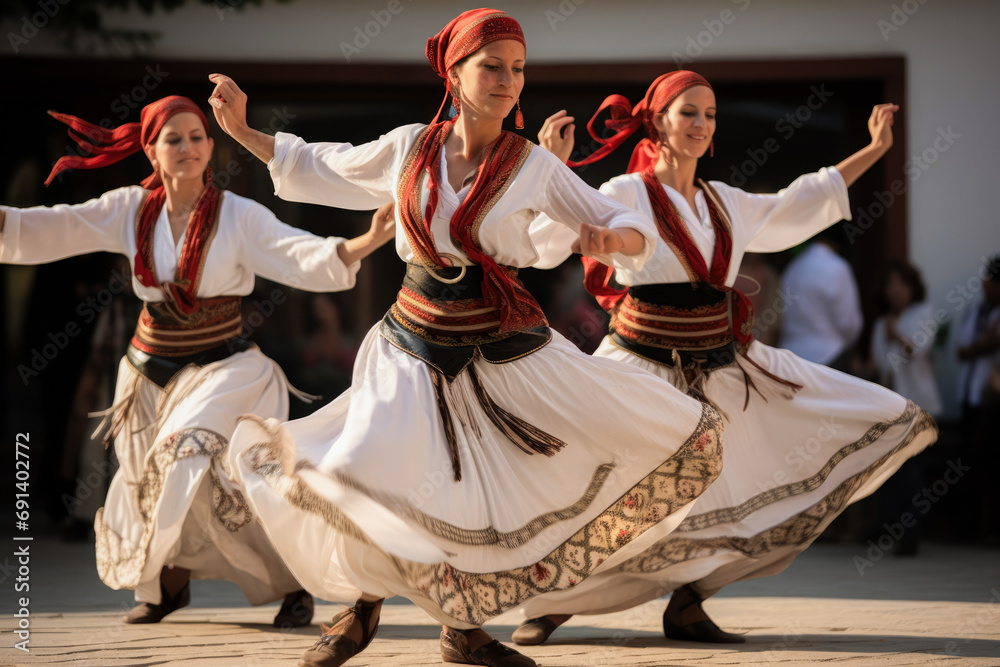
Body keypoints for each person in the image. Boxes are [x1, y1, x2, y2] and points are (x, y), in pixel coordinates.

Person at [210, 10, 725, 667]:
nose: (508, 80)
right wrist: (242, 131)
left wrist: (612, 240)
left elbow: (619, 217)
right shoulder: (409, 147)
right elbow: (322, 165)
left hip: (498, 345)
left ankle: (463, 629)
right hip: (410, 339)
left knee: (478, 496)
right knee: (369, 465)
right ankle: (361, 608)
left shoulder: (532, 164)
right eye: (492, 67)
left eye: (518, 69)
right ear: (453, 74)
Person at [517, 70, 938, 646]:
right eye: (689, 112)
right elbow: (543, 241)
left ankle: (689, 603)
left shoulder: (724, 202)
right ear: (658, 120)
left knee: (734, 486)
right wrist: (551, 167)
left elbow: (800, 201)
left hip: (720, 365)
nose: (701, 124)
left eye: (710, 114)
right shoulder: (626, 192)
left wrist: (875, 149)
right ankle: (555, 602)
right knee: (610, 485)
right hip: (642, 362)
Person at [0, 95, 396, 627]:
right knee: (150, 481)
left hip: (224, 368)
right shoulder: (128, 209)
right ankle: (168, 583)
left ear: (211, 147)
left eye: (196, 137)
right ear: (152, 151)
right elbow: (58, 226)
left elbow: (296, 252)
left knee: (189, 457)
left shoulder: (237, 215)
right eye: (173, 139)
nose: (187, 147)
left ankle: (290, 582)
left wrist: (367, 240)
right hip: (147, 371)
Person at [779, 226, 863, 370]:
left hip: (792, 358)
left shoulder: (793, 268)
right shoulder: (837, 267)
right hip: (830, 356)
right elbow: (848, 322)